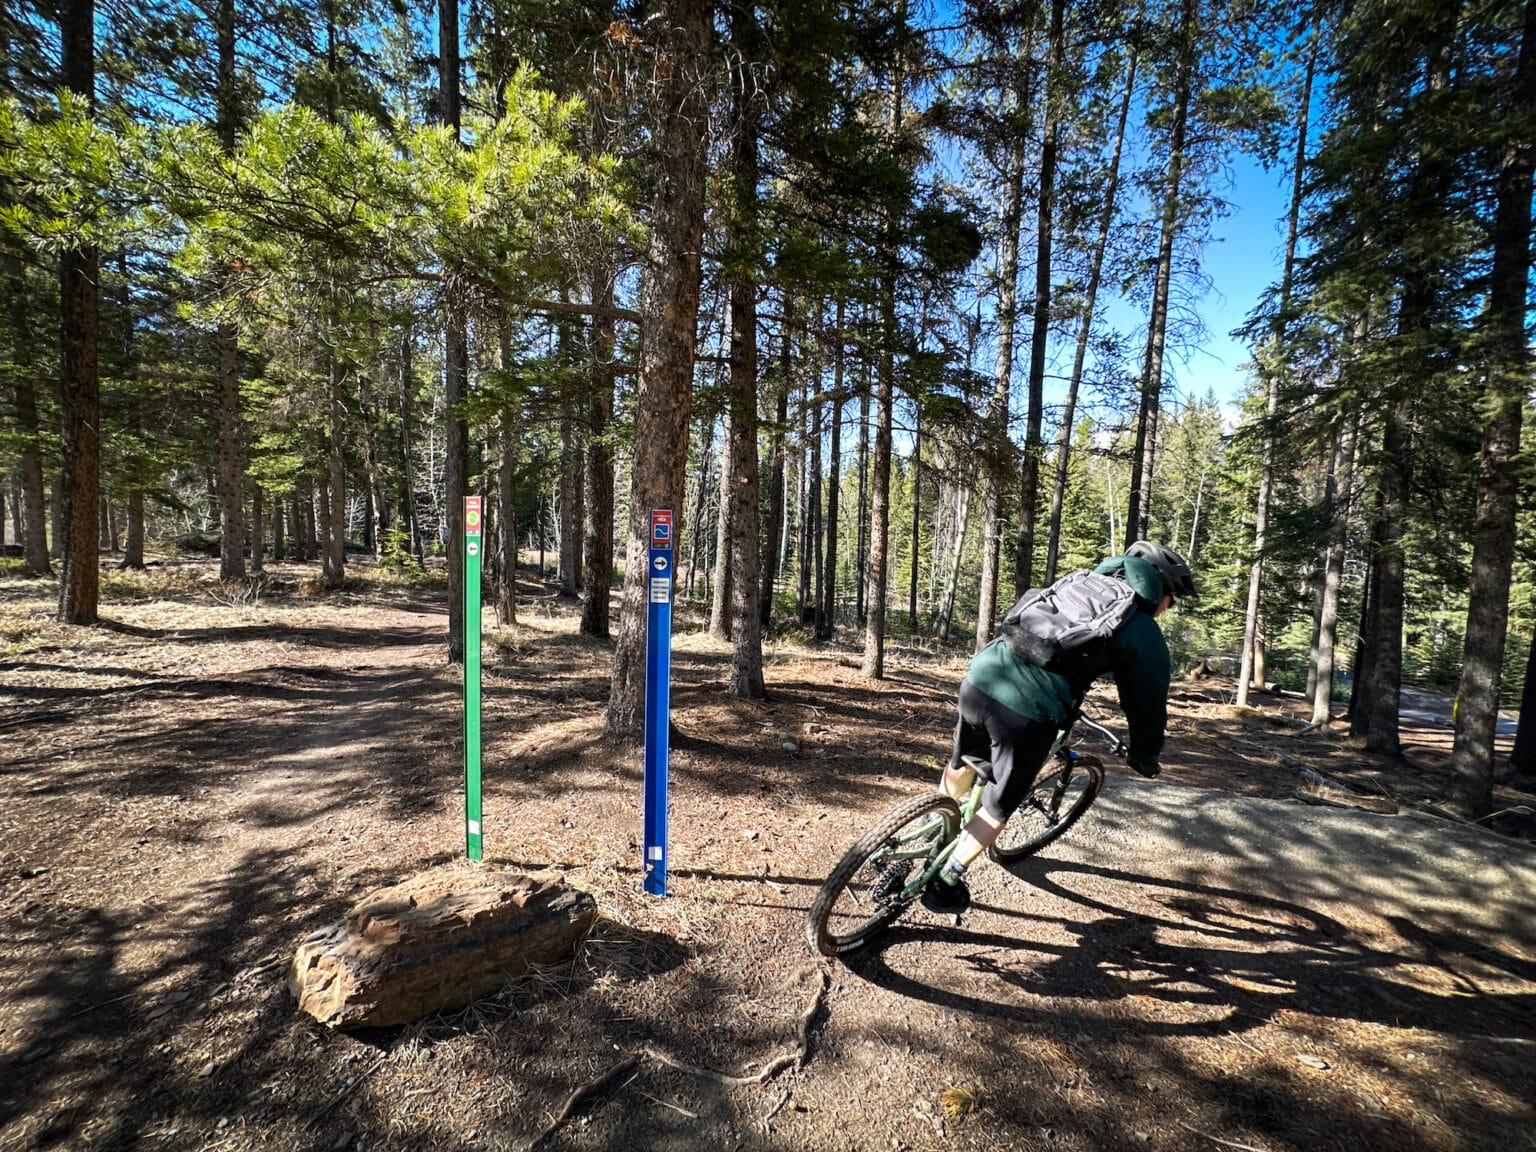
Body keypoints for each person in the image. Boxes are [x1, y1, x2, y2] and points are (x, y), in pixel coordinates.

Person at [922, 540, 1196, 914]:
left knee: (963, 762)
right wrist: (1145, 756)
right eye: (1173, 598)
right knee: (999, 805)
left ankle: (931, 827)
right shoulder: (1141, 628)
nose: (1170, 607)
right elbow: (1146, 703)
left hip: (981, 677)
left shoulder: (1078, 582)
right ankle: (945, 881)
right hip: (1026, 711)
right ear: (1160, 589)